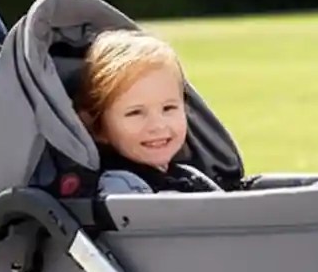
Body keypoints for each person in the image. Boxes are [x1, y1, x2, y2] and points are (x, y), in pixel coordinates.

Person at [74, 29, 222, 194]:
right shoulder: (121, 188)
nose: (158, 126)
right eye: (135, 113)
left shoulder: (187, 177)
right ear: (97, 127)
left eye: (168, 108)